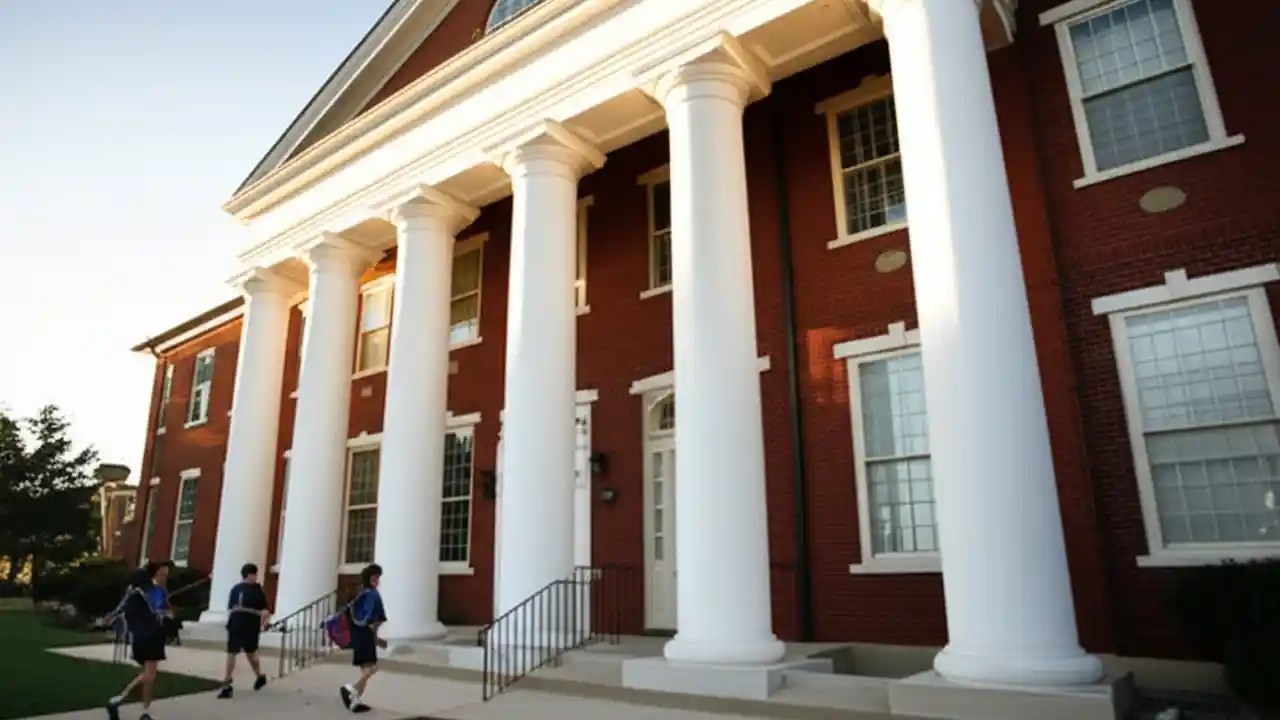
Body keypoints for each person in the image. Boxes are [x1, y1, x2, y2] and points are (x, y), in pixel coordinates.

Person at [106, 565, 167, 720]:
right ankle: (121, 701)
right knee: (149, 674)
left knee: (148, 675)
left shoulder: (131, 595)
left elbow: (120, 611)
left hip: (138, 640)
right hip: (152, 638)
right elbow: (155, 615)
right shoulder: (147, 595)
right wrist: (162, 615)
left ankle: (144, 711)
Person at [216, 563, 271, 699]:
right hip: (241, 624)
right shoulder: (246, 590)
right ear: (251, 574)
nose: (256, 577)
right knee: (233, 652)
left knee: (249, 653)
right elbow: (263, 610)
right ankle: (227, 680)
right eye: (255, 574)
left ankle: (259, 676)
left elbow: (263, 610)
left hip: (245, 624)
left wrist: (264, 622)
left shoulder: (250, 590)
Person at [340, 564, 387, 714]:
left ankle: (355, 702)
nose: (379, 580)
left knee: (366, 669)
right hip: (365, 634)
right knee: (371, 668)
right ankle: (351, 689)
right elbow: (377, 619)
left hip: (357, 634)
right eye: (378, 577)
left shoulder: (359, 594)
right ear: (373, 578)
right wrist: (376, 638)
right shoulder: (373, 594)